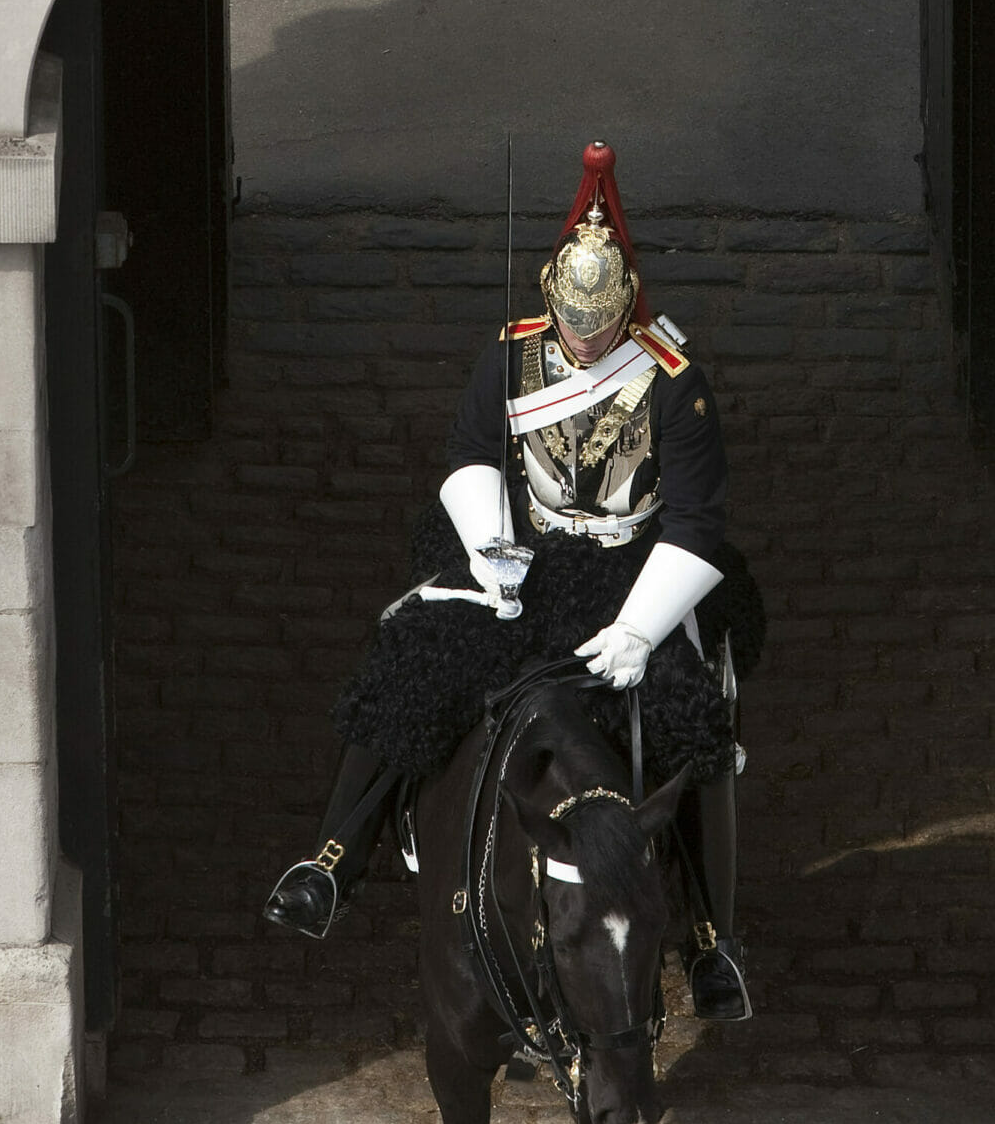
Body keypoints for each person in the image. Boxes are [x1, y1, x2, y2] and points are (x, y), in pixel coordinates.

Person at [264, 142, 757, 1021]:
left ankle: (714, 941)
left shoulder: (674, 387)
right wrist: (491, 543)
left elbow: (696, 524)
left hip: (632, 568)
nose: (582, 337)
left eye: (599, 325)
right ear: (549, 296)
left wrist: (642, 630)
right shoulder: (512, 356)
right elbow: (468, 454)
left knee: (691, 718)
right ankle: (333, 860)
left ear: (627, 309)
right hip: (523, 554)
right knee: (413, 656)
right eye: (571, 319)